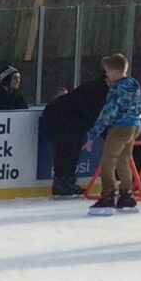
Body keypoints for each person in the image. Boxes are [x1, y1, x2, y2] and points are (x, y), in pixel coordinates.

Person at [39, 67, 110, 199]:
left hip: (73, 121)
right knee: (66, 148)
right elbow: (95, 116)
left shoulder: (104, 90)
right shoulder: (95, 90)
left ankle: (68, 181)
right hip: (59, 117)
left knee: (73, 148)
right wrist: (107, 135)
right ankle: (60, 182)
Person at [87, 54, 141, 214]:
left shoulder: (117, 88)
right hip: (134, 125)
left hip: (120, 128)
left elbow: (109, 112)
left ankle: (108, 196)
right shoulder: (134, 84)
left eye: (107, 71)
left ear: (114, 70)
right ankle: (127, 196)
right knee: (124, 161)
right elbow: (139, 107)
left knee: (107, 162)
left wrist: (93, 134)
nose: (106, 74)